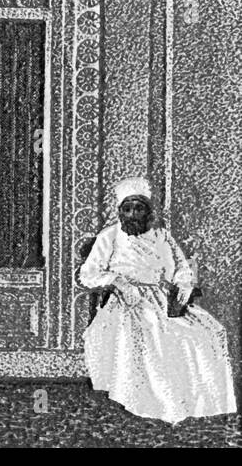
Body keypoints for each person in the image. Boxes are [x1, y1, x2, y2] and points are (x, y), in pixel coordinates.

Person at [80, 176, 236, 423]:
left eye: (139, 208)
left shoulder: (162, 237)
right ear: (120, 212)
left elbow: (181, 269)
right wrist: (118, 282)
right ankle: (143, 402)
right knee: (150, 336)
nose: (133, 215)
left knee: (207, 333)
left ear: (148, 211)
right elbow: (88, 274)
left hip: (161, 298)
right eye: (127, 209)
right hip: (125, 300)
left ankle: (194, 402)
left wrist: (183, 289)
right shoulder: (109, 236)